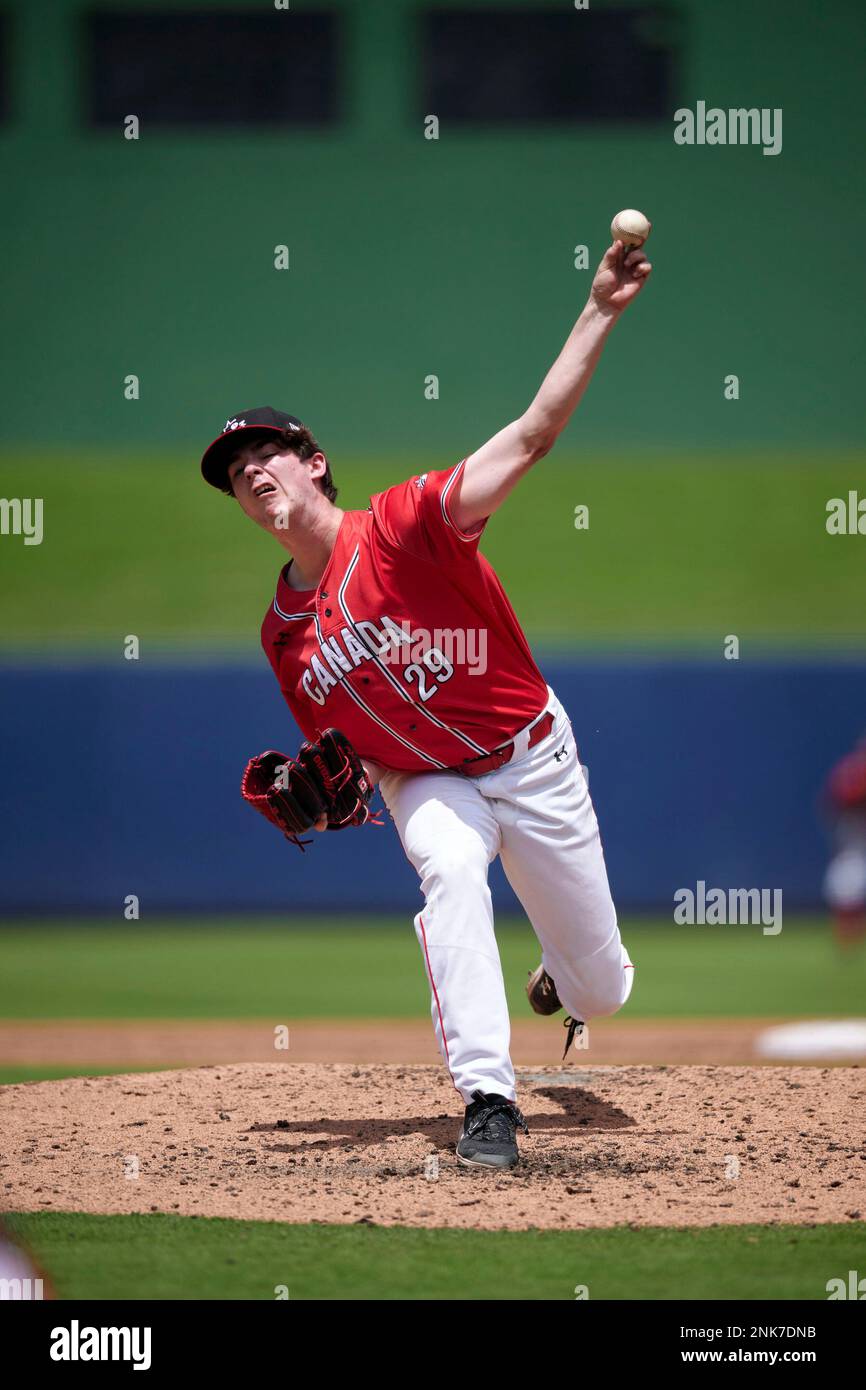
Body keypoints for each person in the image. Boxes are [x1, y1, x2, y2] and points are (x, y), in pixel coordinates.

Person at [200, 237, 652, 1169]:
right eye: (234, 469)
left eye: (265, 452)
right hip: (426, 784)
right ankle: (489, 1098)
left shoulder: (409, 525)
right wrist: (331, 785)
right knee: (448, 872)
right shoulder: (283, 634)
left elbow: (530, 435)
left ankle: (558, 978)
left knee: (602, 990)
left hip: (531, 757)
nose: (250, 470)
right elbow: (350, 757)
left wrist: (601, 307)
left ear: (314, 463)